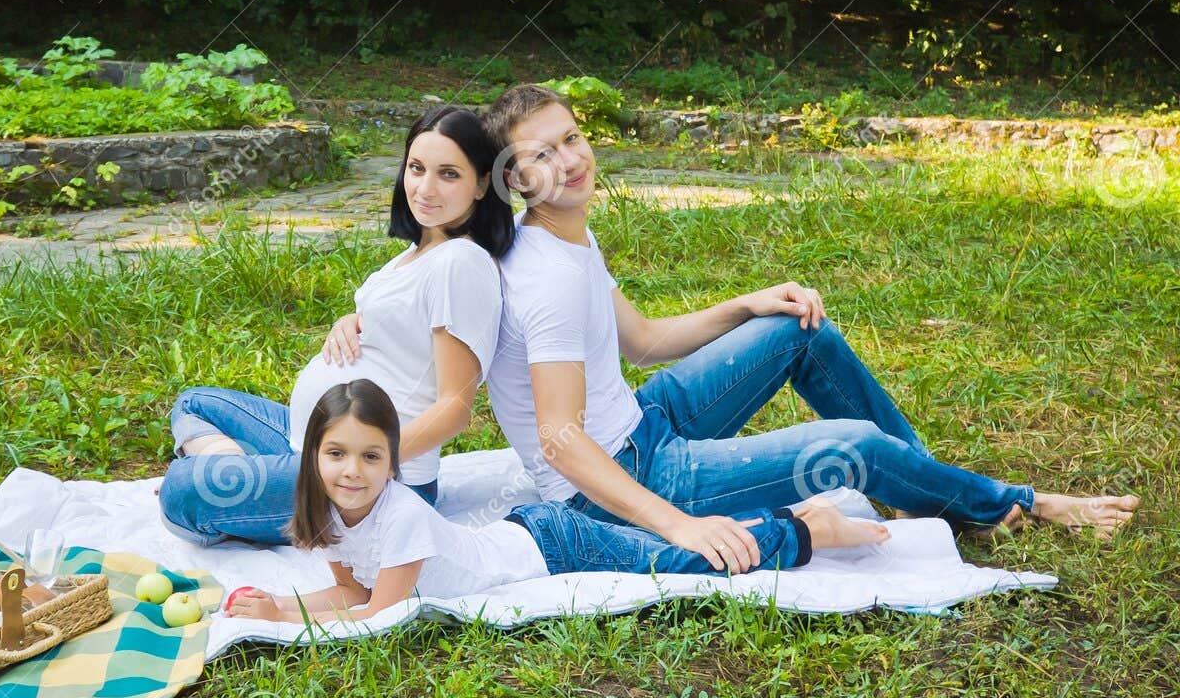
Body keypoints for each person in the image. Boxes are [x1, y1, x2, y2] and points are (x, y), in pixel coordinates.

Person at [473, 83, 1138, 575]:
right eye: (542, 154)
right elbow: (561, 442)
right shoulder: (547, 277)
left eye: (571, 138)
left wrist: (749, 304)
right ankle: (1015, 503)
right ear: (514, 178)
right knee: (855, 447)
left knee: (800, 329)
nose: (568, 159)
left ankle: (922, 492)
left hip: (645, 423)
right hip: (624, 479)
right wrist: (678, 526)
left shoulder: (562, 236)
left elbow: (642, 340)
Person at [224, 380, 890, 623]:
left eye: (372, 456)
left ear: (394, 462)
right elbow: (346, 595)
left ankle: (806, 530)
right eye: (336, 454)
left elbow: (380, 614)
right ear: (313, 455)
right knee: (663, 557)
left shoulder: (396, 516)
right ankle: (789, 524)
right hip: (532, 534)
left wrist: (284, 619)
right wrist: (277, 605)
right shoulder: (333, 517)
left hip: (551, 545)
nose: (352, 471)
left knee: (678, 566)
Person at [158, 105, 515, 545]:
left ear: (482, 184)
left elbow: (455, 408)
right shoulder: (419, 252)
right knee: (197, 403)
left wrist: (369, 464)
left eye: (448, 174)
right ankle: (253, 483)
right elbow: (405, 328)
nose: (424, 188)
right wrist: (353, 320)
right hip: (315, 443)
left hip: (372, 481)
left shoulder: (461, 261)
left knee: (181, 490)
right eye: (416, 168)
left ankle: (246, 491)